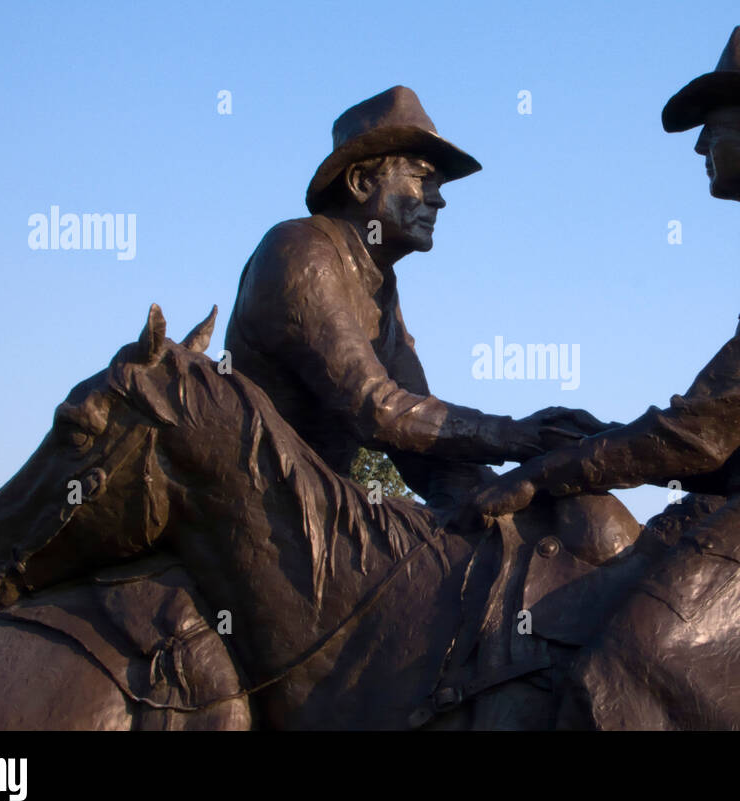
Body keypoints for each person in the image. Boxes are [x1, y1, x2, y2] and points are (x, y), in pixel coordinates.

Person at [457, 27, 740, 729]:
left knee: (630, 666)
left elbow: (719, 416)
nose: (698, 149)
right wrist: (596, 441)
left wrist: (551, 471)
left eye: (710, 130)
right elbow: (731, 418)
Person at [224, 86, 606, 511]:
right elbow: (377, 410)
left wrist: (518, 492)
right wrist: (523, 436)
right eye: (422, 178)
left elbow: (417, 429)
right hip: (257, 510)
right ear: (361, 182)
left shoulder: (379, 283)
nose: (439, 199)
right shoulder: (299, 253)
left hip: (310, 507)